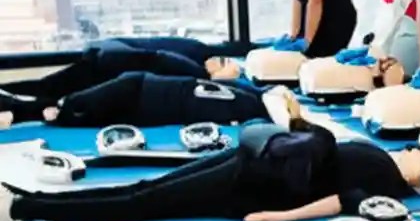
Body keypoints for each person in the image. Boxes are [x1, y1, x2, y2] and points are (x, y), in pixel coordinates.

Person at [0, 101, 420, 221]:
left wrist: (277, 217)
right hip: (253, 161)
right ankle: (31, 202)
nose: (418, 148)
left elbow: (341, 201)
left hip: (254, 188)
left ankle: (26, 208)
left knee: (144, 202)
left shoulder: (388, 185)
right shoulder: (382, 158)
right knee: (144, 189)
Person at [0, 38, 245, 103]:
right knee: (46, 90)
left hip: (110, 62)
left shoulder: (189, 67)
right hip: (110, 62)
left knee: (47, 90)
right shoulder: (194, 62)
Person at [1, 72, 268, 129]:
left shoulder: (246, 99)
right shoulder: (248, 104)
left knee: (66, 112)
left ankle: (15, 113)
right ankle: (14, 110)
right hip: (138, 93)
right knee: (66, 110)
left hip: (141, 99)